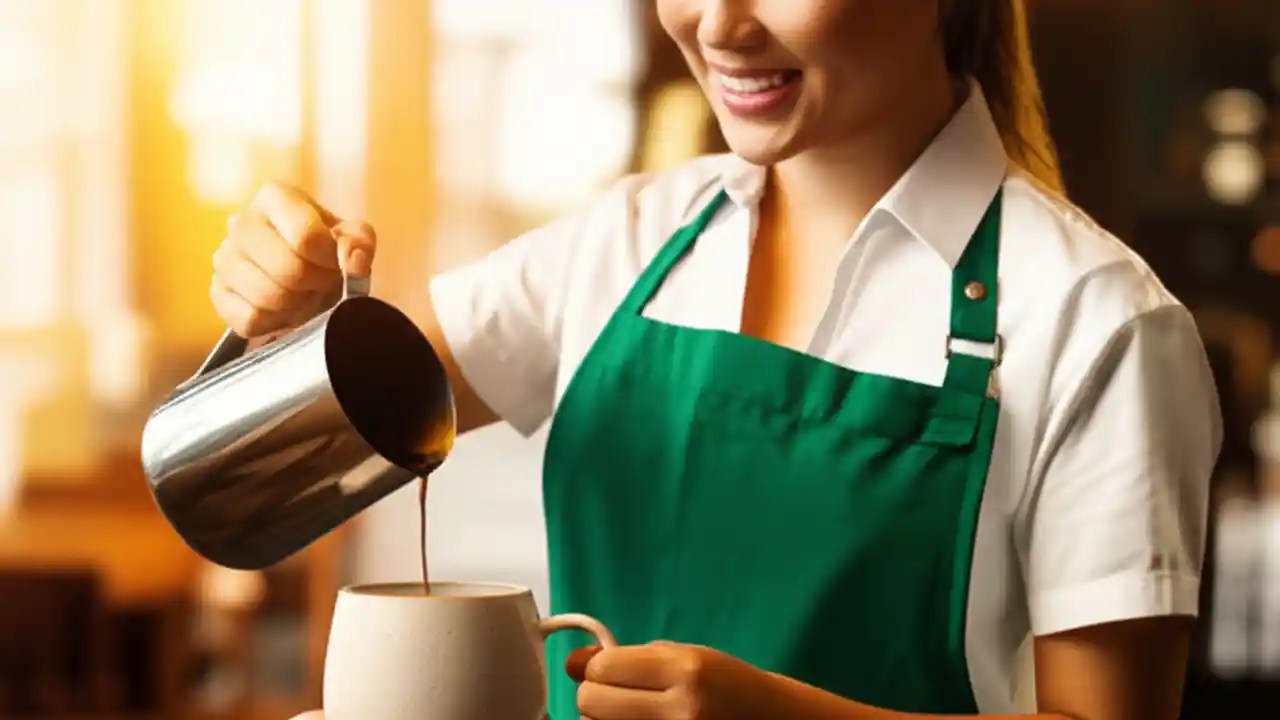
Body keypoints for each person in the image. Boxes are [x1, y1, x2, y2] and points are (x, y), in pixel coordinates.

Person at [214, 1, 1221, 718]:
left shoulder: (1098, 325)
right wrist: (286, 320)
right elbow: (262, 482)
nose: (717, 25)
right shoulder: (621, 243)